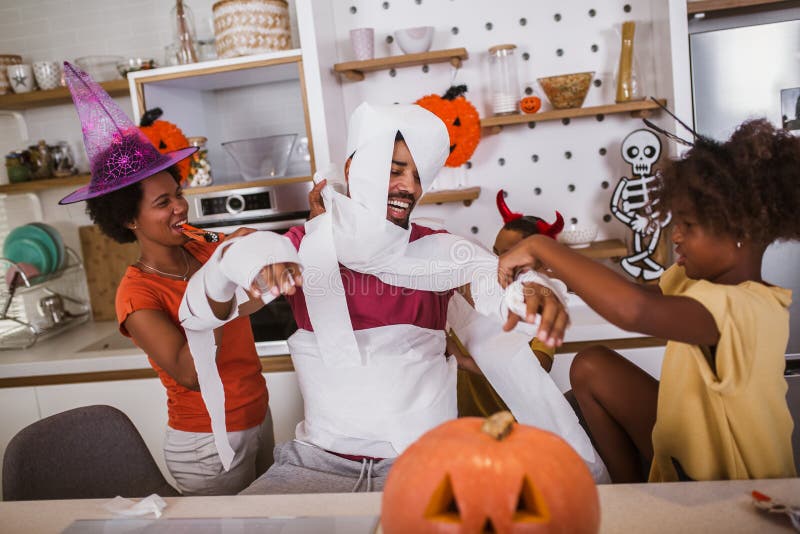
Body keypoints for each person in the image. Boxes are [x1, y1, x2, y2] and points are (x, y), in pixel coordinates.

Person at [180, 102, 606, 494]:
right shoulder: (302, 250)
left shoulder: (439, 250)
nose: (409, 186)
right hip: (316, 464)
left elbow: (489, 281)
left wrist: (529, 291)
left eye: (419, 175)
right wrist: (233, 265)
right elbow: (215, 310)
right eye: (395, 169)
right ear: (355, 167)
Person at [498, 117, 800, 483]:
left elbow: (635, 310)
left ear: (739, 231)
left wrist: (542, 245)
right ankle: (627, 494)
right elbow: (638, 293)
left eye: (688, 225)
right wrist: (554, 272)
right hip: (689, 456)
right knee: (592, 365)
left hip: (736, 493)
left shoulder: (743, 308)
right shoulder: (697, 283)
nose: (676, 237)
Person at [57, 62, 296, 495]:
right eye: (163, 203)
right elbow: (189, 370)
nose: (180, 209)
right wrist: (220, 284)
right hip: (207, 440)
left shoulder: (202, 246)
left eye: (179, 194)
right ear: (128, 217)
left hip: (257, 415)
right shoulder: (137, 293)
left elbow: (255, 286)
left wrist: (264, 257)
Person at [452, 191, 564, 417]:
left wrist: (464, 362)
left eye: (511, 255)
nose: (500, 263)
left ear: (541, 265)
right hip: (463, 424)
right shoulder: (476, 291)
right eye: (496, 253)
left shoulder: (541, 305)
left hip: (514, 426)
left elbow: (537, 368)